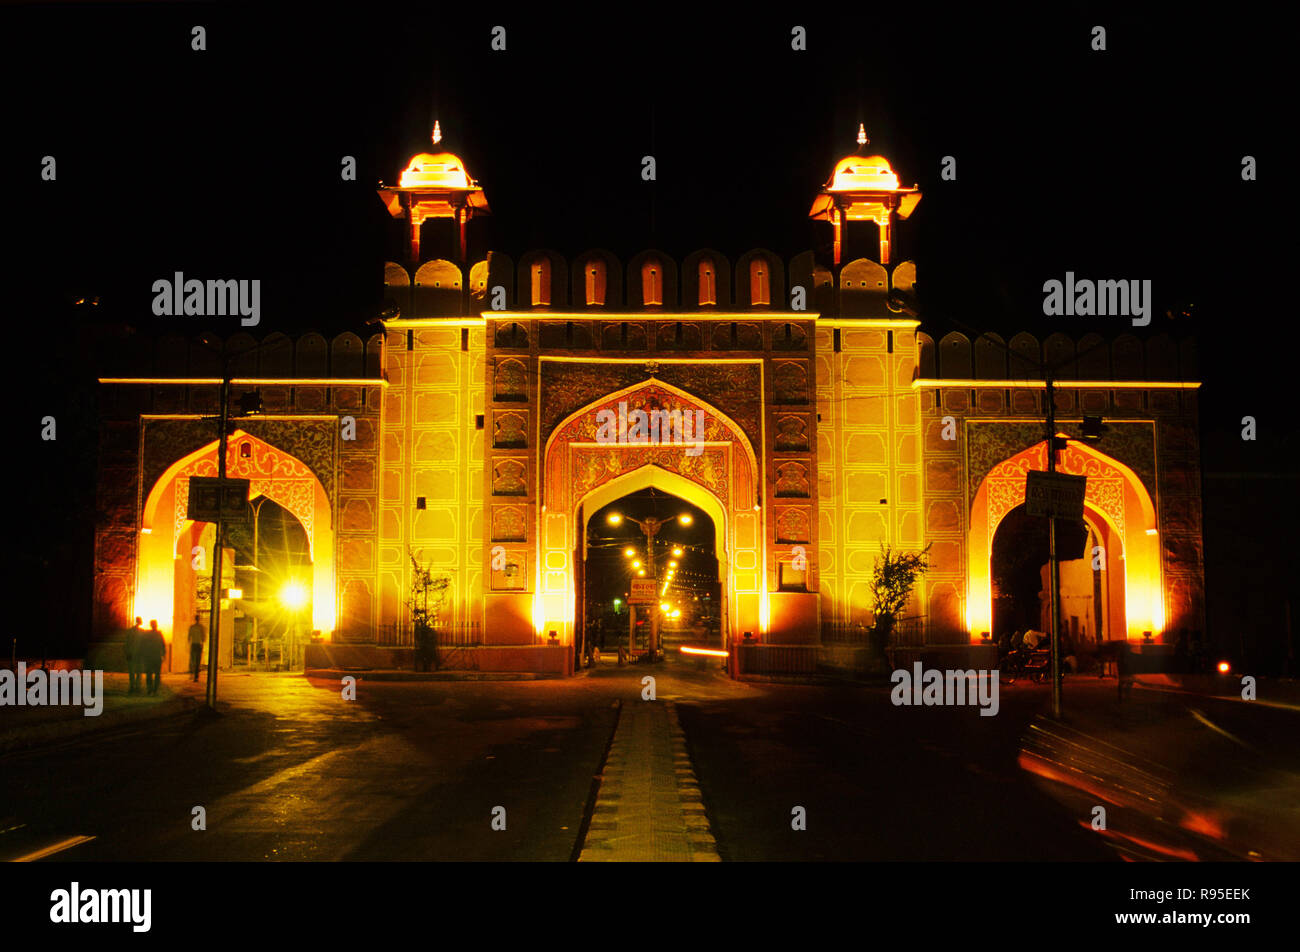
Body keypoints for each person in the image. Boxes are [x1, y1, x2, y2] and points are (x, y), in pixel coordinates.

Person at [141, 620, 167, 696]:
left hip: (151, 656)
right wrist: (163, 654)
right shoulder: (158, 634)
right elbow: (163, 645)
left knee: (150, 674)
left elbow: (144, 645)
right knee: (156, 674)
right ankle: (154, 690)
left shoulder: (148, 634)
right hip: (155, 656)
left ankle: (150, 689)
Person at [125, 617, 144, 694]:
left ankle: (132, 686)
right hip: (139, 654)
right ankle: (137, 687)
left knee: (132, 671)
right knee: (139, 671)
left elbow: (127, 643)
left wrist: (127, 652)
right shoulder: (142, 632)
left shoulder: (130, 631)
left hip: (132, 653)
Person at [187, 614, 206, 682]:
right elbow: (204, 637)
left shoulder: (192, 627)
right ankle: (196, 676)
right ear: (199, 619)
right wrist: (202, 642)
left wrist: (189, 643)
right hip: (199, 645)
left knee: (193, 660)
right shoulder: (201, 627)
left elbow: (189, 637)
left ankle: (193, 674)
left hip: (194, 644)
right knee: (198, 661)